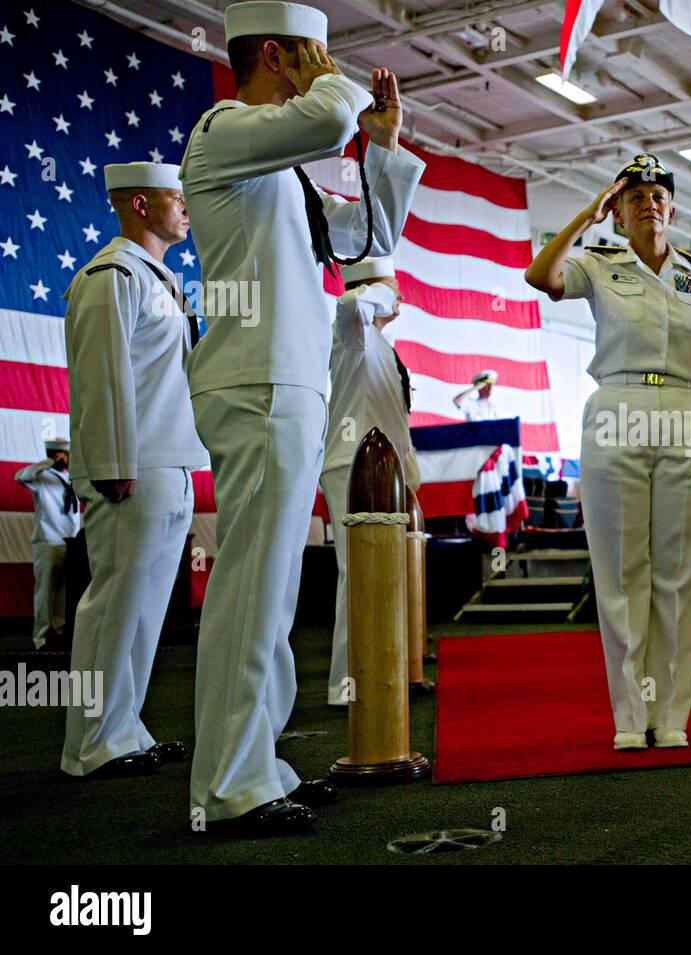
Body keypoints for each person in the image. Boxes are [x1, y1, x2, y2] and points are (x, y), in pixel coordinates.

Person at [180, 0, 425, 836]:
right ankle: (227, 787)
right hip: (254, 384)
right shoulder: (223, 129)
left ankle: (260, 764)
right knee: (251, 588)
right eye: (316, 54)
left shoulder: (278, 163)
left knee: (273, 594)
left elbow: (365, 239)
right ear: (279, 56)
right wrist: (336, 94)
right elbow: (326, 121)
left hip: (287, 387)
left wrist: (383, 141)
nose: (329, 68)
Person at [525, 152, 691, 750]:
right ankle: (630, 716)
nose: (648, 201)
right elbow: (540, 277)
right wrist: (584, 217)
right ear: (618, 214)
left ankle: (670, 714)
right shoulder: (597, 264)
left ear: (671, 209)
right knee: (623, 569)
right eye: (634, 196)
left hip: (685, 410)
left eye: (658, 195)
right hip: (618, 406)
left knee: (677, 570)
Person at [57, 162, 207, 778]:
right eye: (177, 199)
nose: (187, 209)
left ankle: (124, 729)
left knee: (145, 607)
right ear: (140, 204)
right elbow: (103, 376)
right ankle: (90, 742)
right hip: (133, 463)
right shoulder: (109, 277)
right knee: (114, 603)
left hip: (168, 457)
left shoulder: (157, 278)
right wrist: (114, 462)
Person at [320, 257, 418, 706]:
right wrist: (376, 287)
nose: (399, 297)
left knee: (383, 577)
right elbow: (348, 306)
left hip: (384, 472)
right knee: (357, 575)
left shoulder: (381, 344)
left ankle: (378, 673)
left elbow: (397, 423)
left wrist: (410, 480)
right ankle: (347, 684)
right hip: (351, 464)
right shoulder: (355, 336)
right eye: (392, 288)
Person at [15, 440, 79, 649]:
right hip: (48, 539)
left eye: (67, 454)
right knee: (46, 590)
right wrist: (46, 463)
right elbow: (21, 476)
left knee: (62, 589)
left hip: (70, 540)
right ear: (53, 454)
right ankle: (41, 637)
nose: (67, 458)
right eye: (62, 454)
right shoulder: (40, 477)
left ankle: (58, 629)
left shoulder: (70, 478)